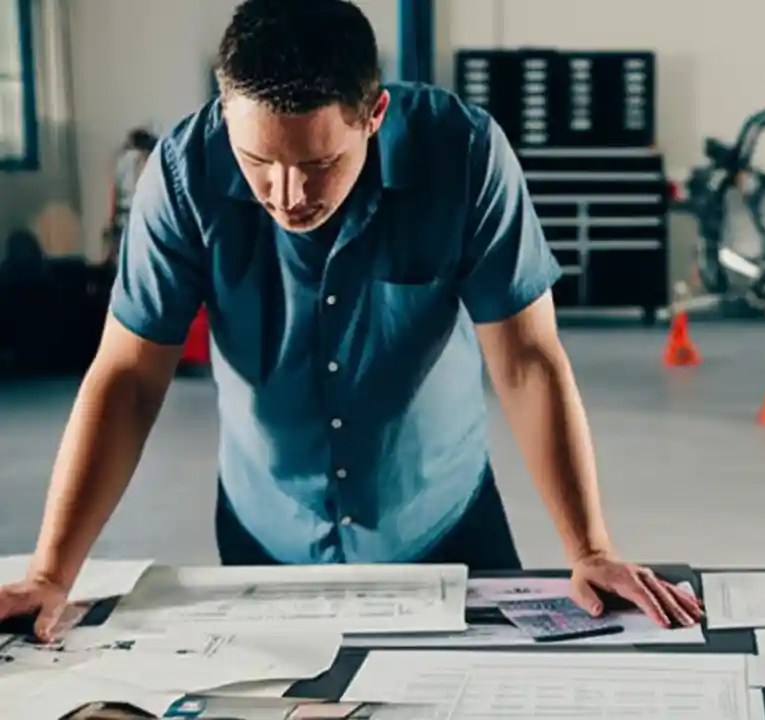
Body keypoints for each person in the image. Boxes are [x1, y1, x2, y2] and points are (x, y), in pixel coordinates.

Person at [0, 0, 702, 641]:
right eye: (258, 162)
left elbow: (527, 360)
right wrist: (52, 572)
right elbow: (127, 379)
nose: (288, 195)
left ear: (375, 113)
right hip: (263, 535)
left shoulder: (463, 154)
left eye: (320, 163)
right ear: (226, 113)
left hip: (447, 523)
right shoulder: (182, 175)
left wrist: (589, 549)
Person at [101, 128, 159, 266]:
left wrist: (111, 220)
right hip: (139, 215)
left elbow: (114, 192)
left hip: (123, 216)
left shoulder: (121, 160)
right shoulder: (145, 158)